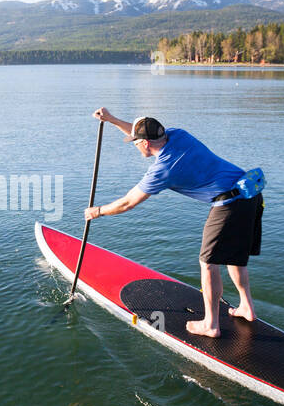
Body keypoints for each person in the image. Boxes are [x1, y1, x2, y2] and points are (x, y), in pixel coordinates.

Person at [84, 109, 263, 335]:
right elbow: (140, 132)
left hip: (228, 205)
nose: (134, 145)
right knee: (235, 258)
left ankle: (211, 324)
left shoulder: (163, 170)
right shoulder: (178, 134)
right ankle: (246, 306)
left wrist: (97, 211)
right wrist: (111, 120)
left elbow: (128, 203)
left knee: (208, 263)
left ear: (146, 144)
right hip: (251, 193)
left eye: (135, 143)